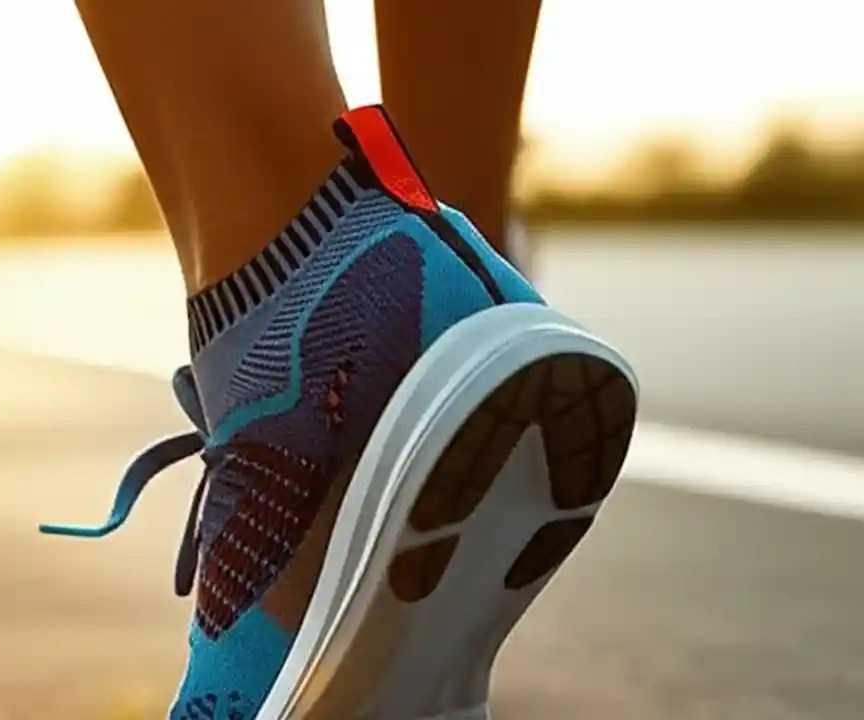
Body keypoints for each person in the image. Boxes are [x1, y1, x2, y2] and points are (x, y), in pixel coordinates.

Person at [41, 2, 638, 718]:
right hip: (430, 284)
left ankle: (298, 278)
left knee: (301, 262)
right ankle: (435, 271)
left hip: (334, 324)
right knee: (421, 288)